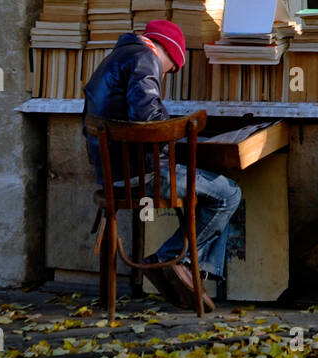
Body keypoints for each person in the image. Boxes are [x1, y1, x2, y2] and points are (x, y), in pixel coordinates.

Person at [82, 19, 243, 311]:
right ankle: (173, 261)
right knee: (228, 193)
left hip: (113, 177)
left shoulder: (116, 57)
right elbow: (146, 117)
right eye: (171, 68)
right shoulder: (146, 58)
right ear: (167, 52)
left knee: (202, 193)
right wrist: (188, 128)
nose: (167, 74)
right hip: (142, 177)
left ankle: (186, 271)